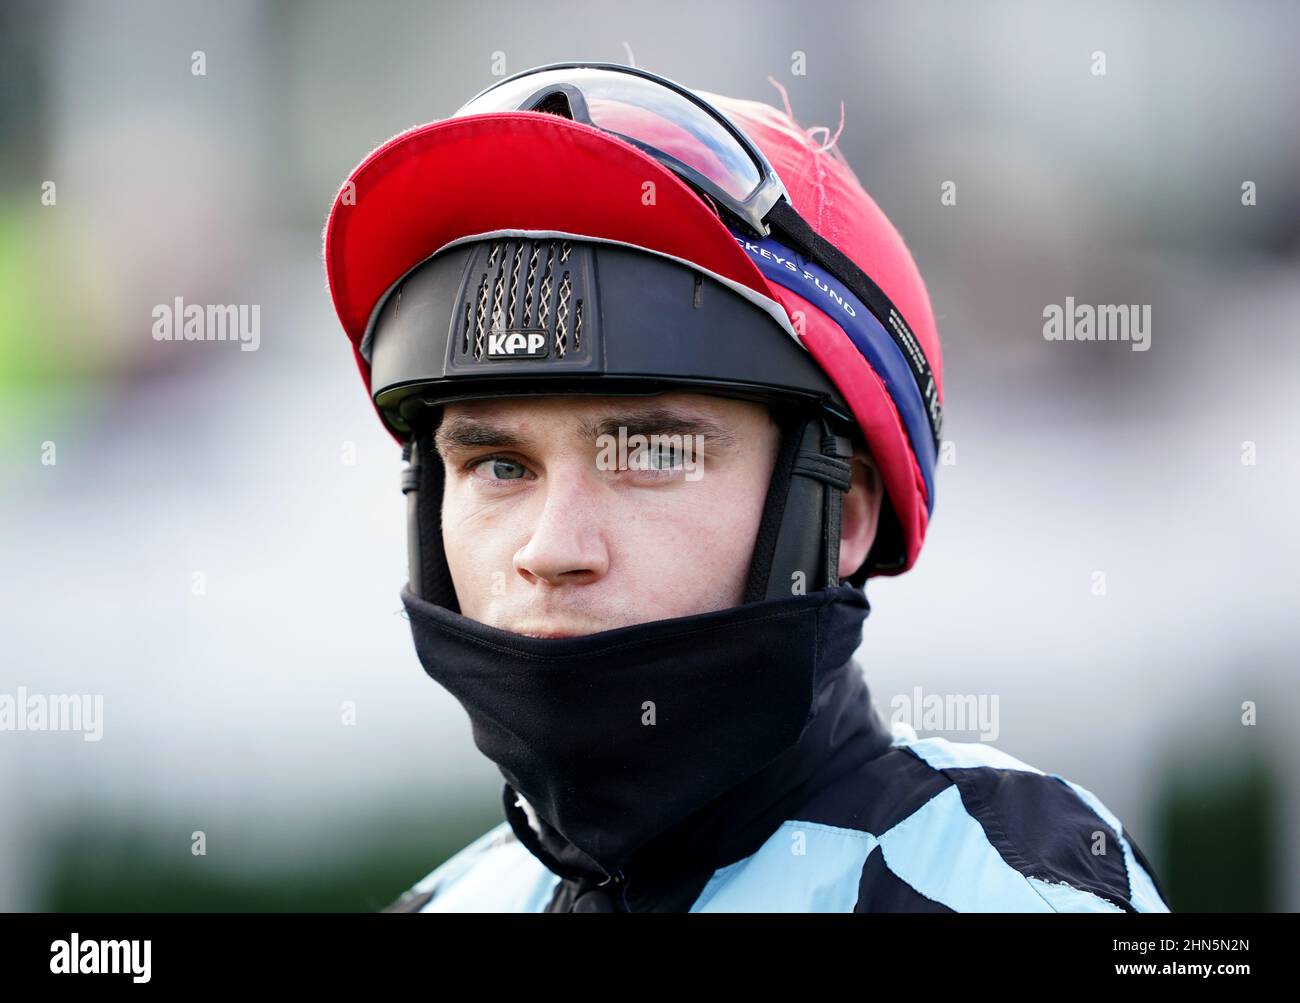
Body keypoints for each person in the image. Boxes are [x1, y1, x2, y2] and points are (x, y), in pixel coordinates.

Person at [323, 62, 1171, 913]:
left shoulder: (998, 888)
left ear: (839, 511)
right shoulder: (450, 902)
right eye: (500, 466)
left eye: (650, 455)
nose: (551, 549)